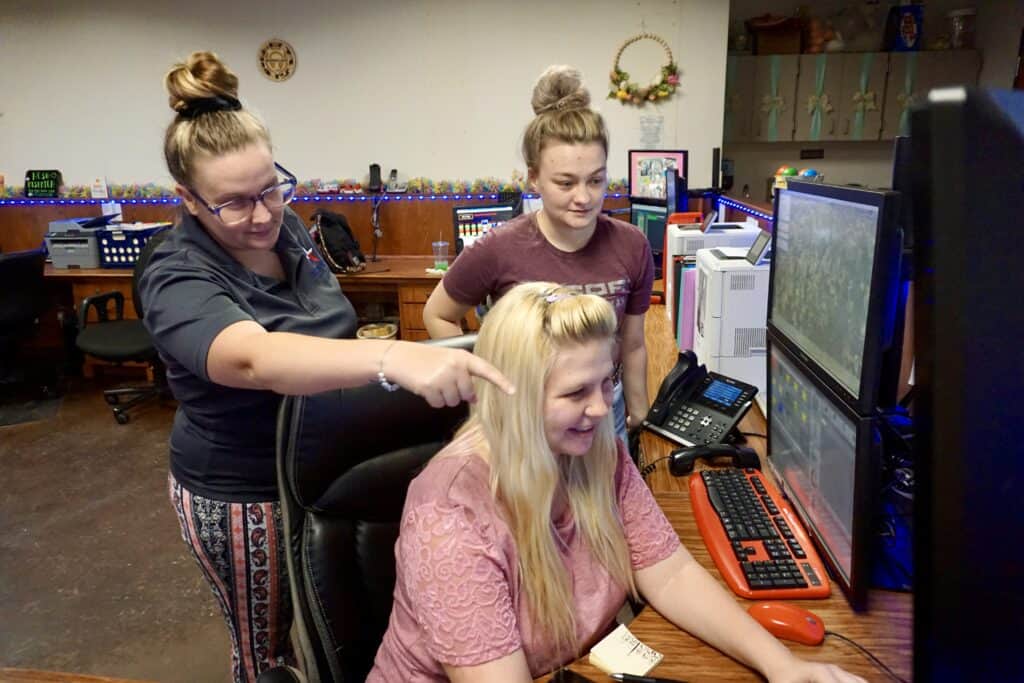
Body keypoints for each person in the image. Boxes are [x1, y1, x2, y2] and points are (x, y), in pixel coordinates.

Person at [138, 51, 513, 683]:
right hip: (244, 489)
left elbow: (323, 323)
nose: (261, 214)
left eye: (270, 189)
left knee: (338, 624)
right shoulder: (176, 272)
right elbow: (255, 358)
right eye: (234, 203)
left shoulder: (285, 232)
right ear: (188, 199)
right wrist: (392, 356)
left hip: (324, 466)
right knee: (268, 655)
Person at [369, 282, 867, 683]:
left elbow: (667, 573)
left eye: (606, 380)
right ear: (511, 396)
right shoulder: (448, 517)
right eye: (575, 392)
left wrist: (782, 665)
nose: (603, 408)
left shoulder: (592, 451)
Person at [423, 65, 652, 446]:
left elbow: (632, 343)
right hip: (524, 417)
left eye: (596, 180)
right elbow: (437, 314)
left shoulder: (632, 245)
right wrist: (487, 383)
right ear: (533, 177)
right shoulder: (498, 248)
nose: (584, 197)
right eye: (565, 182)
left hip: (601, 411)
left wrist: (640, 414)